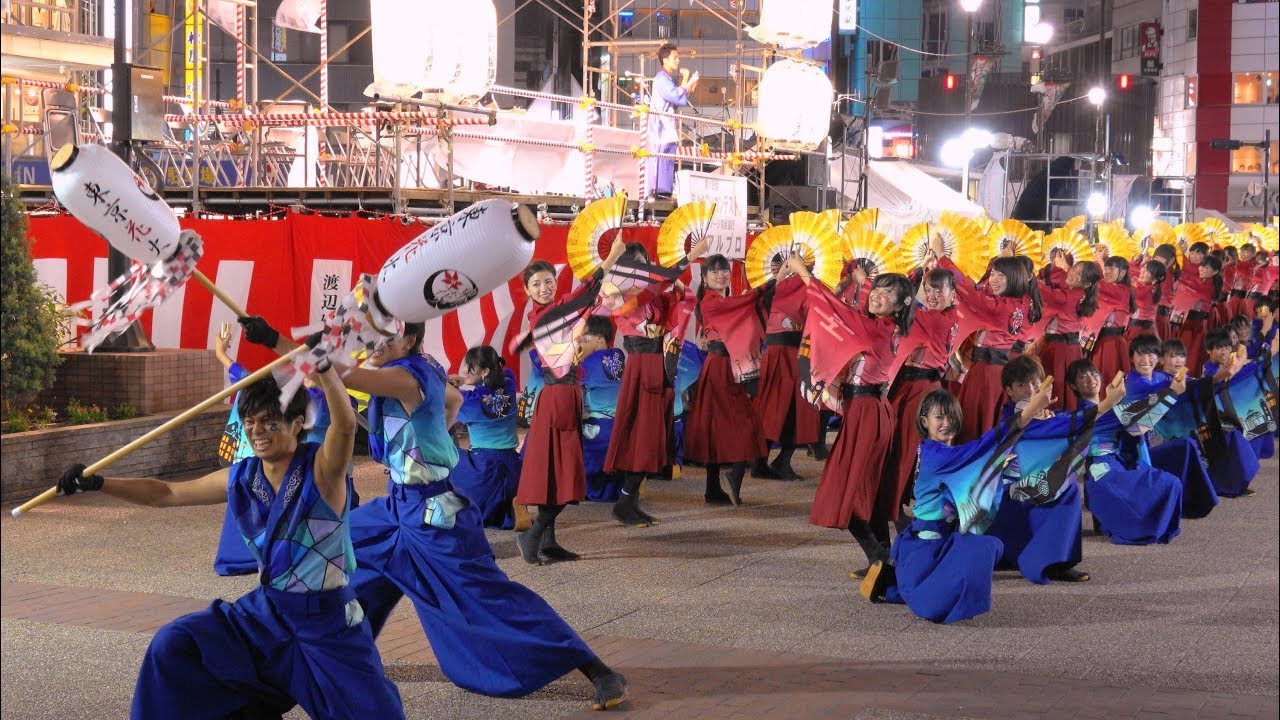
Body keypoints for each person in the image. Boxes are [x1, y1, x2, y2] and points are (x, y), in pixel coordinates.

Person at [240, 317, 629, 710]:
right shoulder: (415, 373)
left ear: (409, 339)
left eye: (388, 336)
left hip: (434, 515)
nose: (376, 343)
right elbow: (454, 401)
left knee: (490, 599)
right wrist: (434, 435)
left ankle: (595, 668)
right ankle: (338, 666)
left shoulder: (409, 376)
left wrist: (275, 337)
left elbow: (342, 374)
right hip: (395, 510)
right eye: (374, 336)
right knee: (335, 566)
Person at [56, 368, 406, 719]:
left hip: (326, 620)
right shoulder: (243, 476)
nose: (257, 431)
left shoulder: (322, 470)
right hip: (268, 615)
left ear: (297, 423)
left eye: (269, 422)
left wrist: (326, 371)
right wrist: (99, 483)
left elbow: (344, 426)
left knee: (373, 713)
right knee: (177, 644)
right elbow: (165, 493)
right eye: (250, 421)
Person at [786, 255, 917, 596]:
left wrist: (802, 271)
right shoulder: (886, 328)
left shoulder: (875, 328)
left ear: (901, 304)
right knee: (867, 490)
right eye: (877, 288)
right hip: (870, 411)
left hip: (866, 413)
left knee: (844, 488)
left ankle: (878, 559)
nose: (877, 295)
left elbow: (831, 308)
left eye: (887, 293)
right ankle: (885, 557)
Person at [883, 380, 1062, 623]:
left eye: (950, 417)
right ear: (924, 422)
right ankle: (921, 590)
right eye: (939, 418)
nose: (946, 424)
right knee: (985, 546)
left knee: (990, 540)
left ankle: (900, 581)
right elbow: (984, 446)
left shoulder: (932, 450)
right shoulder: (939, 455)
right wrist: (1029, 412)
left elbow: (979, 459)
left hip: (937, 537)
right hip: (928, 547)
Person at [513, 240, 626, 564]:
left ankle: (546, 540)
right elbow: (587, 293)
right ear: (528, 291)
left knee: (558, 471)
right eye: (537, 284)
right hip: (558, 397)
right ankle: (533, 535)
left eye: (548, 281)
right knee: (565, 472)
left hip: (566, 394)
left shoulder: (556, 309)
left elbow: (585, 297)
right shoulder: (544, 317)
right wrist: (612, 257)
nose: (544, 287)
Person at [602, 240, 705, 524]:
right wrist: (690, 257)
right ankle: (624, 500)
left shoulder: (651, 293)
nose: (640, 271)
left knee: (653, 435)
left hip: (658, 365)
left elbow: (675, 311)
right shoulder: (619, 296)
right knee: (643, 436)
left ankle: (629, 501)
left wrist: (681, 294)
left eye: (644, 264)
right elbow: (655, 289)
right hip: (641, 367)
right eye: (632, 265)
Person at [987, 355, 1093, 584]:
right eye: (1021, 385)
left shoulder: (1043, 414)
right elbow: (1045, 430)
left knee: (1067, 487)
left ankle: (1059, 560)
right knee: (1062, 489)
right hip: (1010, 489)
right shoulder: (1013, 417)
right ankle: (1050, 562)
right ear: (1009, 390)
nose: (1030, 389)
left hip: (1034, 480)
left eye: (1035, 383)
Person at [1066, 359, 1184, 546]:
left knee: (1170, 482)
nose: (1091, 379)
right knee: (1167, 483)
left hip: (1119, 461)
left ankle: (1131, 522)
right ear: (1073, 385)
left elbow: (1136, 425)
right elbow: (1138, 422)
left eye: (1093, 374)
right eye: (1082, 377)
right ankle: (1133, 525)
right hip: (1102, 469)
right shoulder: (1083, 415)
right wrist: (1171, 395)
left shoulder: (1110, 408)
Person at [935, 237, 1043, 441]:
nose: (993, 279)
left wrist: (943, 258)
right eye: (992, 274)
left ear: (1013, 278)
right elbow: (981, 290)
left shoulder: (1000, 308)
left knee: (975, 426)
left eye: (1000, 275)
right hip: (995, 369)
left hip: (987, 373)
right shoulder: (1018, 303)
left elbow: (970, 291)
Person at [684, 253, 770, 506]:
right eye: (714, 271)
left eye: (724, 271)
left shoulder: (721, 300)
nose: (721, 275)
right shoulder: (712, 302)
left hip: (725, 366)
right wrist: (777, 278)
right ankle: (733, 474)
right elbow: (748, 303)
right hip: (721, 368)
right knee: (743, 422)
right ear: (705, 278)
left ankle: (714, 488)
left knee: (717, 427)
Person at [751, 253, 821, 480]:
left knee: (788, 408)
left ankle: (774, 461)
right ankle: (765, 461)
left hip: (792, 352)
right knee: (779, 407)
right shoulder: (771, 287)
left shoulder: (802, 284)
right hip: (781, 354)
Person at [1138, 334, 1220, 518]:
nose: (1178, 360)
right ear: (1161, 359)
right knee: (1186, 445)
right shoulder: (1157, 380)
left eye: (1181, 356)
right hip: (1157, 440)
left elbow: (1201, 387)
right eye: (1173, 355)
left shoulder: (1186, 379)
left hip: (1183, 434)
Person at [448, 345, 522, 530]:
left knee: (443, 459)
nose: (465, 371)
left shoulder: (472, 400)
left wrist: (448, 382)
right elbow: (507, 373)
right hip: (513, 468)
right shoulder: (509, 385)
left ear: (486, 371)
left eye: (470, 367)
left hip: (485, 470)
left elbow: (445, 397)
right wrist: (468, 379)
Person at [1038, 255, 1102, 410]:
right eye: (1074, 269)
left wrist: (1028, 279)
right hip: (1067, 347)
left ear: (1086, 283)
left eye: (1079, 274)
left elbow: (1046, 293)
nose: (1072, 274)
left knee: (1056, 386)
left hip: (1060, 349)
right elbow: (1057, 277)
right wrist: (1057, 264)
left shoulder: (1070, 295)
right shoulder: (1076, 291)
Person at [578, 315, 628, 508]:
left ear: (600, 338)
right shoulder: (618, 355)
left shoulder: (586, 365)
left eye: (585, 337)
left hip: (597, 428)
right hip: (619, 425)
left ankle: (591, 490)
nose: (581, 341)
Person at [647, 43, 699, 200]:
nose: (678, 61)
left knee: (667, 160)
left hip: (667, 126)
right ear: (665, 60)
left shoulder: (666, 79)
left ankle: (664, 191)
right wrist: (685, 80)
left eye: (678, 58)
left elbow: (678, 98)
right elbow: (676, 96)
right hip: (660, 127)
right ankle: (659, 192)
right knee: (662, 159)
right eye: (674, 58)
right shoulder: (661, 79)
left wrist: (689, 87)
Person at [1091, 255, 1139, 379]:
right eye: (1105, 268)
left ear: (1123, 272)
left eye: (1111, 269)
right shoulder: (1108, 287)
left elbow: (1096, 286)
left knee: (1106, 377)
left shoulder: (1122, 290)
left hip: (1111, 343)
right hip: (1101, 340)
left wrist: (1068, 269)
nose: (1106, 272)